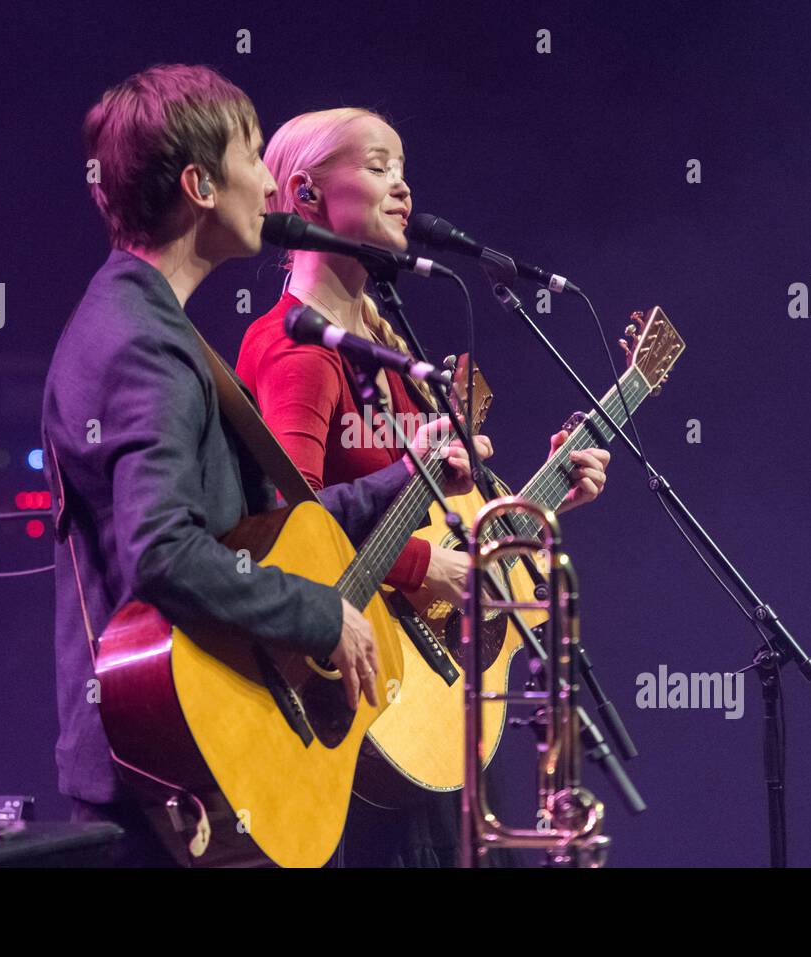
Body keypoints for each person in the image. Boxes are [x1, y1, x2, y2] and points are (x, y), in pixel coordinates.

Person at [42, 67, 488, 867]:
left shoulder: (150, 325)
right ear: (201, 185)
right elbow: (163, 551)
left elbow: (267, 523)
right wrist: (318, 615)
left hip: (184, 750)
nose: (268, 184)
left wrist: (410, 477)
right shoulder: (143, 344)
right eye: (254, 158)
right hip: (162, 759)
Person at [236, 107, 610, 866]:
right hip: (375, 705)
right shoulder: (297, 353)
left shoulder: (385, 336)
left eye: (402, 166)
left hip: (432, 698)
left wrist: (543, 498)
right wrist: (419, 566)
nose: (402, 186)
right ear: (305, 195)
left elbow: (437, 512)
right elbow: (284, 528)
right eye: (377, 166)